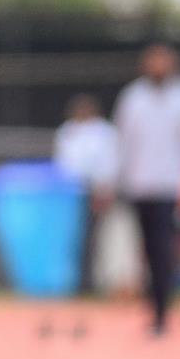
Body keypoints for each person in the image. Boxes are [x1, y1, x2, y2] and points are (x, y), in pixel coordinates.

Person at [111, 43, 180, 337]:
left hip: (171, 186)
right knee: (148, 251)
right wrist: (118, 180)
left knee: (165, 249)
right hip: (140, 185)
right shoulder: (133, 98)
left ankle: (162, 311)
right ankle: (155, 306)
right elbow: (123, 143)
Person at [52, 94, 119, 298]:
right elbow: (63, 162)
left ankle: (94, 282)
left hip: (95, 190)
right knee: (72, 239)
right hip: (71, 192)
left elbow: (108, 162)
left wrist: (104, 188)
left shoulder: (104, 132)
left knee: (95, 240)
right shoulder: (67, 131)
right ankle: (74, 283)